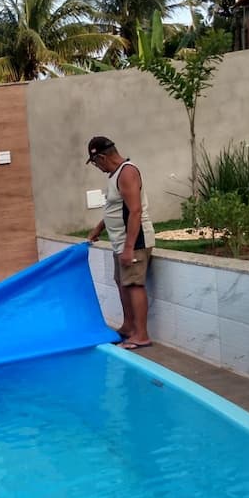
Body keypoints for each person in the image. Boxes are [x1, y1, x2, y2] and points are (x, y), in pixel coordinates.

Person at [85, 136, 155, 350]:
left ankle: (141, 335)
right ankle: (128, 327)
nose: (97, 167)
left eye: (96, 163)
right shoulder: (115, 175)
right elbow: (114, 210)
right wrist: (97, 230)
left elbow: (135, 210)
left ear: (103, 157)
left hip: (134, 242)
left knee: (134, 285)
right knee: (122, 283)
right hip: (120, 242)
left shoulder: (127, 172)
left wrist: (128, 248)